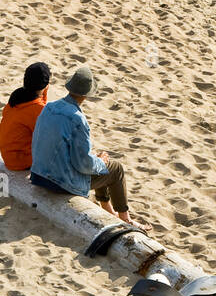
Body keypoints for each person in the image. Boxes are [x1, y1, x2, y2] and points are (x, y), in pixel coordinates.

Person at [31, 66, 147, 230]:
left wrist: (97, 161)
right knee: (115, 168)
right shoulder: (78, 119)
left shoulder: (49, 107)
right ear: (86, 94)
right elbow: (83, 164)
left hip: (38, 174)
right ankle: (125, 218)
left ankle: (108, 209)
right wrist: (99, 162)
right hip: (59, 182)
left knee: (98, 162)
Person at [0, 62, 51, 171]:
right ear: (46, 85)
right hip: (21, 161)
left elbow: (40, 107)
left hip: (9, 157)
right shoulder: (36, 109)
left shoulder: (18, 98)